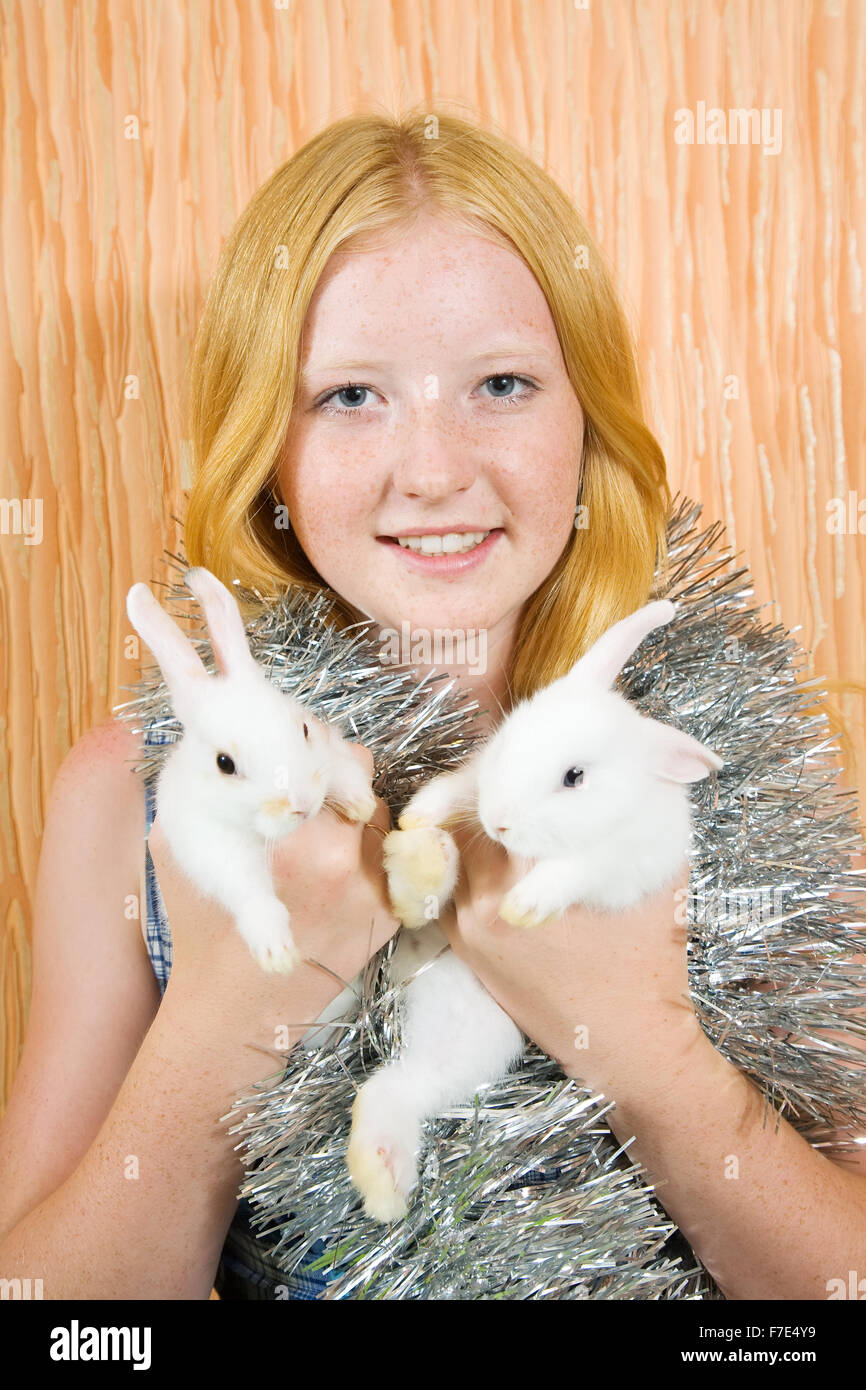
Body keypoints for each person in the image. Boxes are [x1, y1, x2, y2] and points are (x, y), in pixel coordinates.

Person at [1, 107, 864, 1301]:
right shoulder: (139, 790)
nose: (437, 469)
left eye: (501, 383)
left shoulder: (720, 752)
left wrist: (646, 1052)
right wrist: (228, 1017)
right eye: (353, 396)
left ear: (586, 419)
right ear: (270, 454)